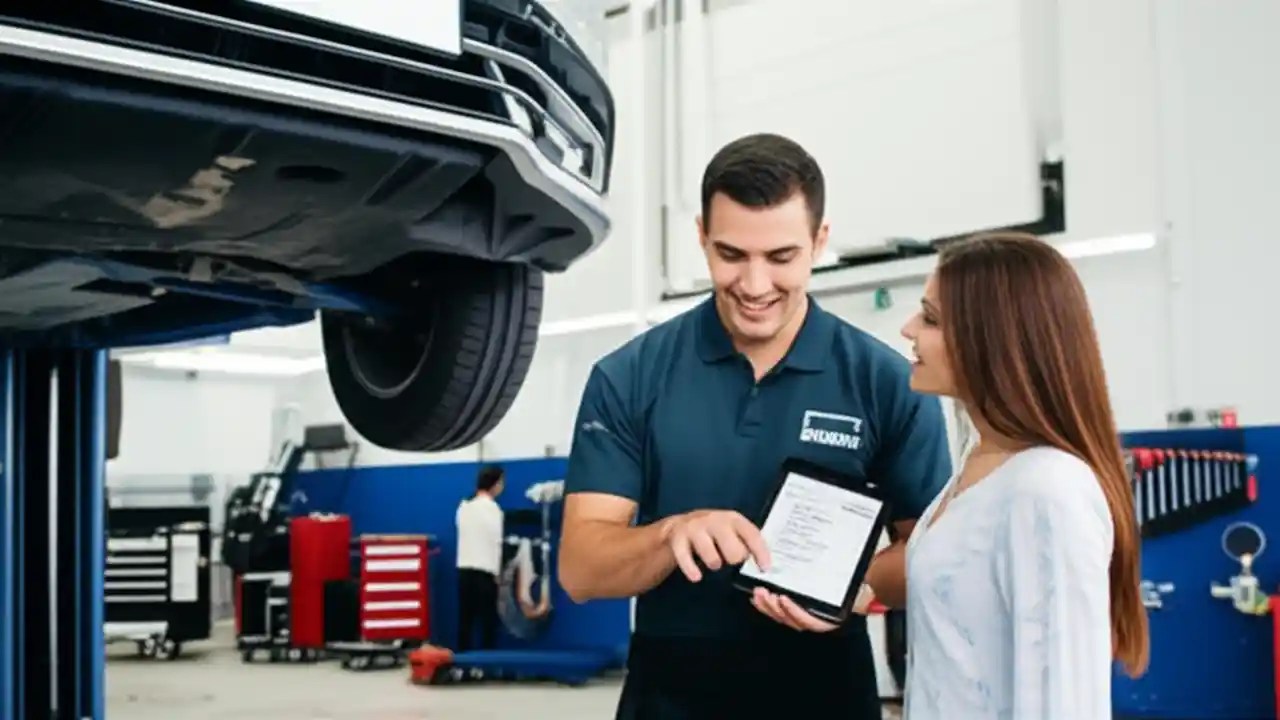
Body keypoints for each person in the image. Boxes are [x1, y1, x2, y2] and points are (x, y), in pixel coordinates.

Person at [557, 132, 953, 719]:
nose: (756, 284)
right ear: (701, 237)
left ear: (820, 241)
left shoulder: (890, 383)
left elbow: (929, 556)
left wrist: (855, 588)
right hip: (671, 691)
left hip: (825, 689)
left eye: (782, 258)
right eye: (732, 255)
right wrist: (670, 534)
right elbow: (581, 570)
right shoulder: (629, 378)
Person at [899, 232, 1149, 718]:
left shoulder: (1046, 488)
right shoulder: (979, 468)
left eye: (930, 318)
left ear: (992, 341)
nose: (909, 329)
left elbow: (1064, 701)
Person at [455, 464, 505, 652]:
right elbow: (496, 542)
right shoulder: (494, 510)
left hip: (464, 569)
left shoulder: (463, 508)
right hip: (485, 571)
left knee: (465, 619)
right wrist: (498, 573)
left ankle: (462, 663)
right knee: (487, 622)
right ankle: (486, 664)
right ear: (495, 484)